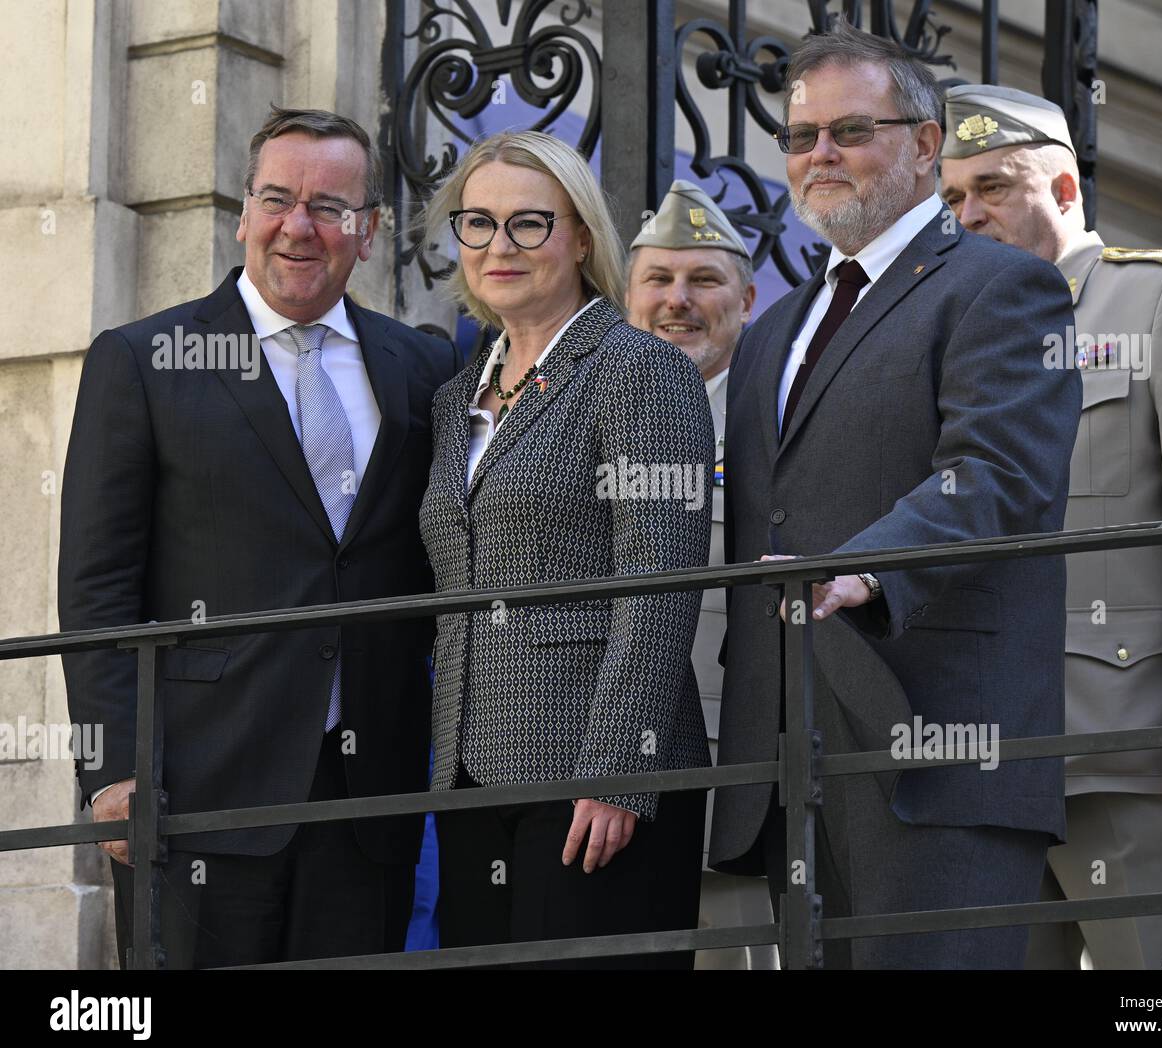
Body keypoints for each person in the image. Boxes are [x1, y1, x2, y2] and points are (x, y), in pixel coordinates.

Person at [706, 22, 1081, 970]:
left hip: (937, 754)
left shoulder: (1005, 289)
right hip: (786, 754)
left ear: (924, 144)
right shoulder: (775, 327)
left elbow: (1002, 473)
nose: (819, 155)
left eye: (849, 131)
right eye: (800, 137)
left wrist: (866, 570)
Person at [58, 106, 458, 969]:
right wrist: (113, 771)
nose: (298, 227)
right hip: (199, 787)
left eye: (329, 206)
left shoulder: (423, 369)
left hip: (369, 795)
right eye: (277, 199)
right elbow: (96, 584)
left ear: (371, 230)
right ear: (243, 213)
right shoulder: (143, 359)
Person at [940, 83, 1162, 970]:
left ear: (1063, 192)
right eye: (953, 197)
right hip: (985, 755)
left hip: (1132, 739)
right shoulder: (950, 334)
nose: (969, 214)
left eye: (995, 187)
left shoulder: (1160, 298)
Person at [419, 130, 714, 969]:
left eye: (528, 224)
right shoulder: (454, 398)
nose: (498, 247)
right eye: (478, 224)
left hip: (594, 773)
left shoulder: (638, 369)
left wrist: (620, 769)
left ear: (581, 236)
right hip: (474, 772)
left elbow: (659, 581)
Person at [625, 179, 772, 969]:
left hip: (729, 772)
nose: (678, 301)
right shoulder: (581, 410)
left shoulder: (779, 424)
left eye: (703, 280)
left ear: (747, 297)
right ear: (627, 295)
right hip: (587, 769)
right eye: (659, 279)